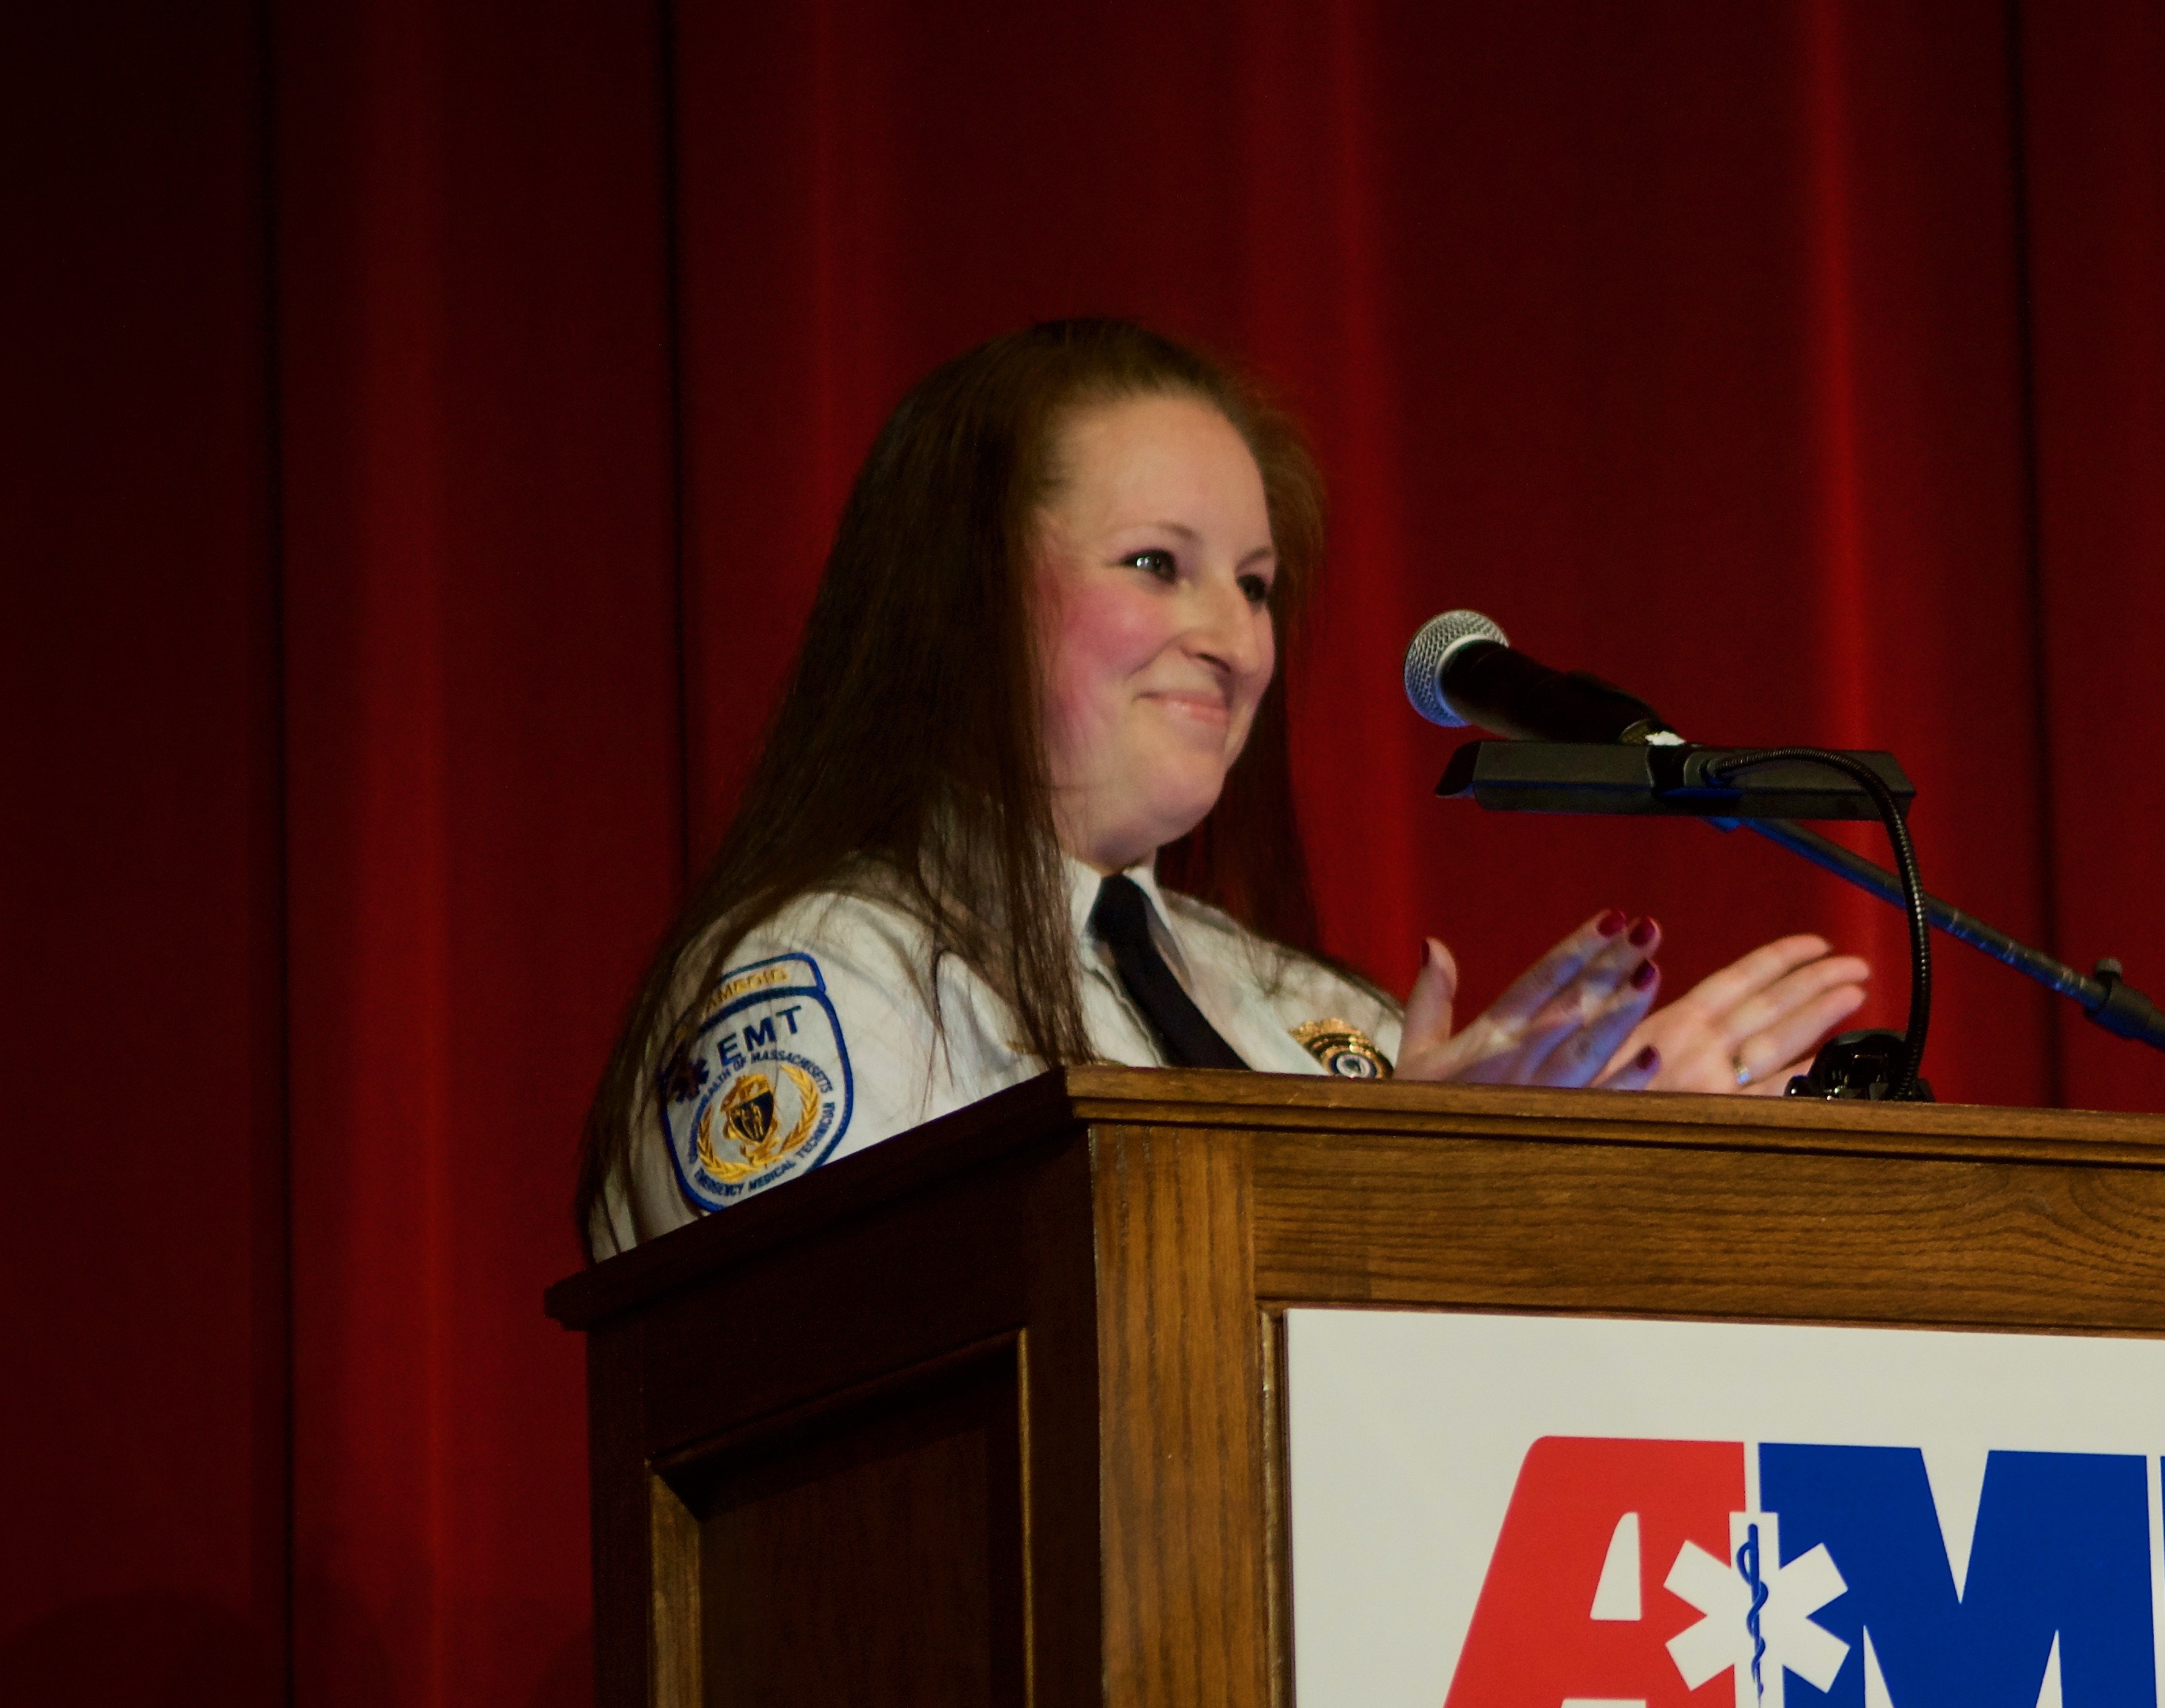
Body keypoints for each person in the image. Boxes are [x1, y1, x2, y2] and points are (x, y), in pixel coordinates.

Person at [578, 318, 1870, 1256]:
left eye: (1253, 583)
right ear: (961, 596)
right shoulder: (814, 987)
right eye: (1156, 563)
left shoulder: (1314, 1016)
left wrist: (1624, 1187)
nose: (1235, 638)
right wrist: (1371, 1200)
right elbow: (889, 1415)